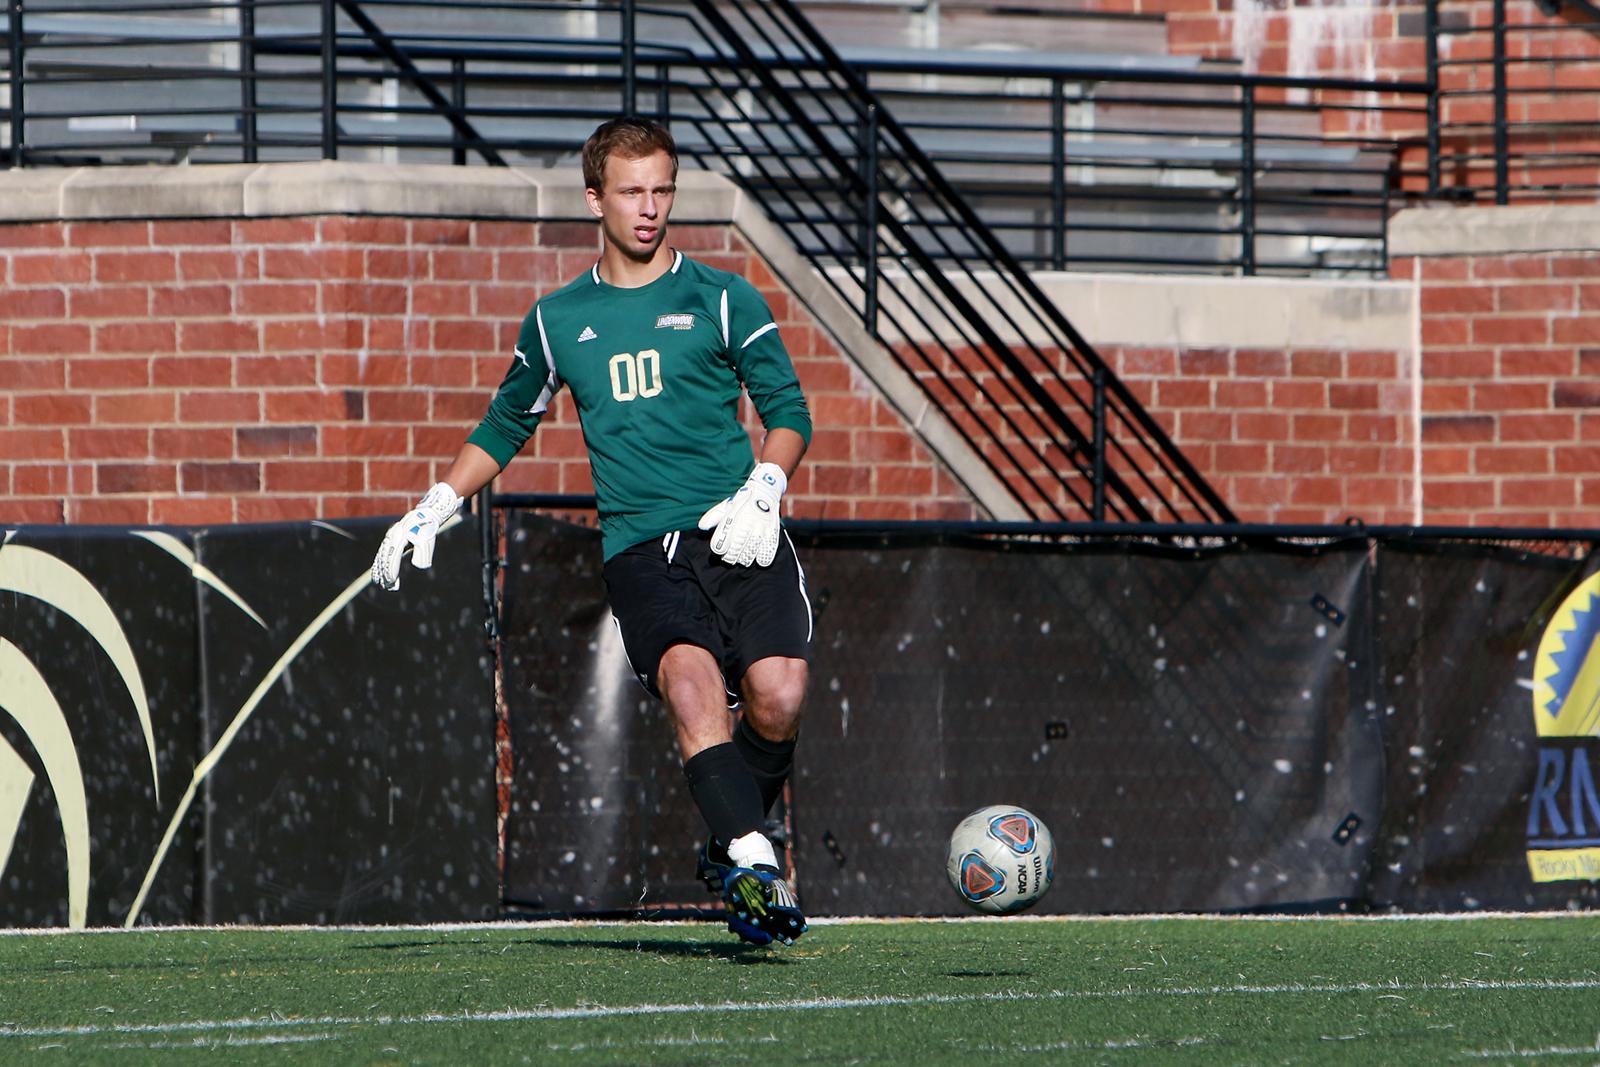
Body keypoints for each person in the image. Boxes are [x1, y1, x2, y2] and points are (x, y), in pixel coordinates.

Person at [371, 117, 813, 947]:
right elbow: (505, 425)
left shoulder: (721, 295)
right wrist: (434, 503)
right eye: (632, 192)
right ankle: (754, 867)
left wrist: (767, 481)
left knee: (778, 694)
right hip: (642, 548)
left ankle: (728, 835)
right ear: (595, 199)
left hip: (738, 527)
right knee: (689, 686)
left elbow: (788, 411)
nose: (649, 209)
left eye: (662, 191)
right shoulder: (557, 318)